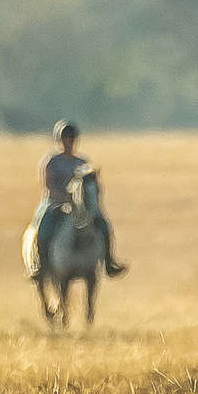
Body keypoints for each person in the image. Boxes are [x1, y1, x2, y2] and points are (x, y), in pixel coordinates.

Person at [30, 120, 126, 279]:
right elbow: (48, 186)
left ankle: (109, 262)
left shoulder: (82, 163)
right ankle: (41, 265)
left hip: (80, 207)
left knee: (104, 225)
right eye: (66, 138)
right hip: (54, 204)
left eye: (72, 138)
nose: (69, 141)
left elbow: (91, 186)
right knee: (43, 229)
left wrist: (88, 203)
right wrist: (66, 199)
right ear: (60, 140)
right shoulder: (51, 162)